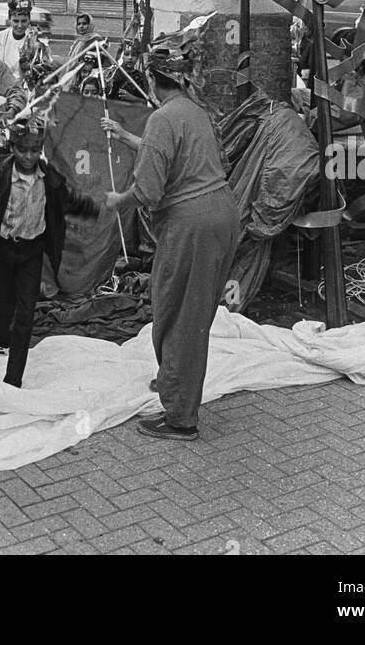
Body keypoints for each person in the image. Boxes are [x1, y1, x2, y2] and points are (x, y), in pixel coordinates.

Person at [103, 49, 240, 442]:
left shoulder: (163, 117)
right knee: (193, 312)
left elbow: (147, 190)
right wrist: (126, 135)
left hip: (192, 224)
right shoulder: (193, 109)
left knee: (177, 313)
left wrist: (118, 201)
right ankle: (174, 384)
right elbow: (167, 153)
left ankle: (181, 417)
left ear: (151, 79)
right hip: (220, 213)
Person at [0, 115, 100, 386]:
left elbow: (67, 199)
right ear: (13, 148)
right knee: (4, 310)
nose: (29, 156)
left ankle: (13, 379)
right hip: (4, 250)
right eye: (23, 150)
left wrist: (94, 208)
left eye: (35, 151)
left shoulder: (48, 176)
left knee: (25, 313)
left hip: (32, 251)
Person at [0, 0, 34, 79]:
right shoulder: (0, 37)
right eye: (16, 21)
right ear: (9, 20)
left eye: (24, 21)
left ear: (29, 20)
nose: (20, 25)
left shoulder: (35, 41)